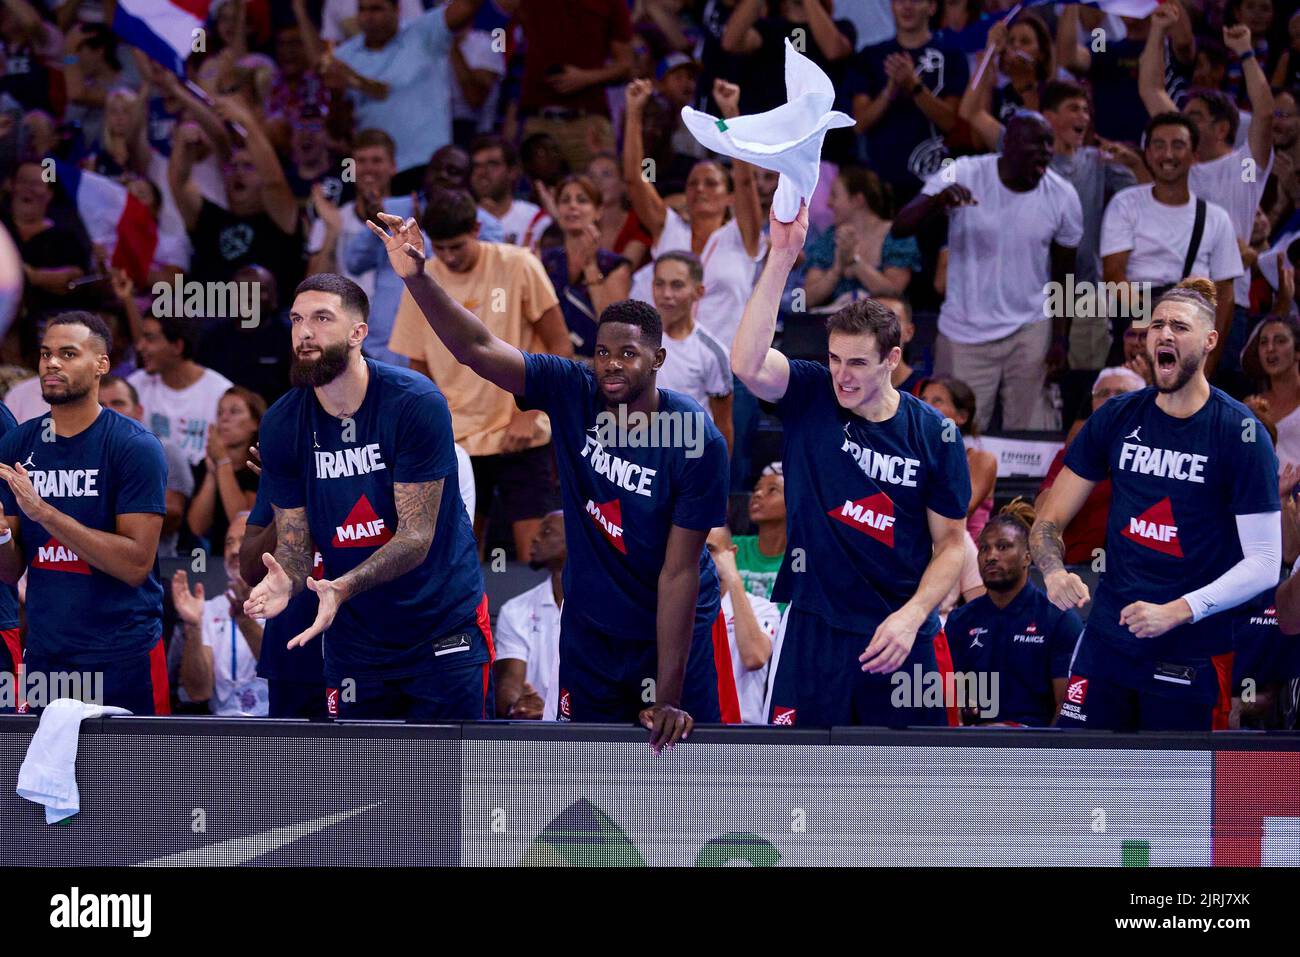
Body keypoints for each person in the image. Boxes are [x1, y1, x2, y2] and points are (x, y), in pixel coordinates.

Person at [371, 211, 729, 752]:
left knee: (680, 766)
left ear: (659, 359)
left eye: (628, 354)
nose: (610, 365)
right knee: (587, 768)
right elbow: (478, 348)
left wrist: (669, 694)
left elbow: (679, 574)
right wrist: (418, 278)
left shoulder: (695, 439)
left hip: (670, 629)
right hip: (590, 628)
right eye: (603, 351)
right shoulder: (572, 388)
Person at [731, 204, 971, 727]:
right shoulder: (813, 392)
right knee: (797, 778)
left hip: (899, 632)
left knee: (908, 789)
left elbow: (953, 544)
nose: (842, 376)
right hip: (815, 626)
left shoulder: (934, 432)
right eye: (836, 359)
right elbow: (746, 363)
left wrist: (913, 617)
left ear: (892, 359)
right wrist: (781, 258)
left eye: (858, 363)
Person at [1031, 278, 1282, 731]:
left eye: (1180, 327)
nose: (1165, 334)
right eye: (1157, 325)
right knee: (1072, 784)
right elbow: (1049, 517)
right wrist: (1052, 570)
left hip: (1191, 647)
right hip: (1108, 638)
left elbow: (1265, 562)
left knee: (1174, 797)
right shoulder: (1117, 415)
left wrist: (1180, 609)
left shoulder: (1239, 433)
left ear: (1210, 341)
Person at [244, 274, 490, 722]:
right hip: (355, 639)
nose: (304, 331)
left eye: (322, 318)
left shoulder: (414, 402)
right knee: (364, 791)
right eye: (297, 319)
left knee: (451, 790)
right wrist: (289, 578)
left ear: (358, 333)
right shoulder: (282, 423)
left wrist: (343, 586)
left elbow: (416, 536)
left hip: (441, 629)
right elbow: (297, 548)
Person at [389, 189, 572, 561]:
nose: (450, 256)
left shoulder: (519, 264)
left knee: (538, 553)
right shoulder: (420, 278)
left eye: (457, 245)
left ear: (476, 228)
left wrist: (532, 413)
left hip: (520, 435)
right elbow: (418, 369)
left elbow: (561, 347)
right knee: (457, 554)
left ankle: (535, 622)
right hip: (456, 442)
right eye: (441, 247)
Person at [0, 311, 169, 714]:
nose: (52, 363)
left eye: (68, 353)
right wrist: (2, 536)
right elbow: (11, 571)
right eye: (45, 354)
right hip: (48, 655)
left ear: (101, 365)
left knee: (140, 777)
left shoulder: (134, 446)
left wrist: (45, 513)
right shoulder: (19, 444)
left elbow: (135, 564)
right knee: (46, 778)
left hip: (124, 653)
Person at [894, 111, 1083, 431]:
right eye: (1034, 145)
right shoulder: (963, 171)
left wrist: (1061, 339)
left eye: (1049, 146)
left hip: (1029, 330)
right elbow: (900, 226)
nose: (1045, 153)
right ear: (1006, 143)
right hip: (964, 332)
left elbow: (1065, 275)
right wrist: (936, 202)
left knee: (1030, 435)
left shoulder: (1063, 195)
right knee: (950, 435)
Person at [1141, 6, 1275, 391]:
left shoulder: (1245, 167)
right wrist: (1157, 30)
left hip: (1230, 301)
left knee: (1217, 396)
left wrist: (1246, 53)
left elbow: (1264, 114)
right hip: (1175, 299)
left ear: (1221, 128)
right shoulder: (1179, 162)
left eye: (1195, 116)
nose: (1183, 121)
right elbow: (1151, 90)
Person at [623, 77, 764, 350]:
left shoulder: (742, 236)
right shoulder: (669, 228)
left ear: (730, 196)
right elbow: (633, 179)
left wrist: (730, 115)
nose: (700, 189)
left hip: (728, 368)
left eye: (711, 183)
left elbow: (746, 181)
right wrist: (634, 111)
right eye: (692, 184)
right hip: (668, 365)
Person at [1100, 112, 1244, 380]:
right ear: (1147, 153)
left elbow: (1225, 295)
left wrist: (1207, 363)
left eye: (1178, 145)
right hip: (1136, 323)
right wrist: (1153, 326)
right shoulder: (1125, 204)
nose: (1168, 154)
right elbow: (1113, 275)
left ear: (1194, 155)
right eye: (1159, 145)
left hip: (1192, 325)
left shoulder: (1216, 218)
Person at [945, 499, 1081, 727]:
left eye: (1003, 546)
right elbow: (950, 700)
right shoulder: (960, 620)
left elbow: (1067, 708)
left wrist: (1033, 749)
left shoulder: (1059, 619)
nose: (990, 556)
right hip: (974, 747)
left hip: (1036, 750)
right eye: (984, 548)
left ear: (1028, 557)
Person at [325, 0, 484, 193]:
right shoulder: (343, 57)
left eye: (376, 8)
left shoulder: (424, 32)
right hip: (376, 172)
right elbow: (337, 132)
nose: (368, 16)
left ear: (397, 10)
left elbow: (468, 6)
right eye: (362, 9)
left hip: (428, 164)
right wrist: (336, 95)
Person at [849, 0, 968, 203]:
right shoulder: (870, 56)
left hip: (935, 181)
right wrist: (890, 91)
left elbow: (953, 123)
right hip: (881, 184)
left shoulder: (953, 56)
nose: (907, 6)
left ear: (932, 7)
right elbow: (859, 124)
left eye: (915, 0)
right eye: (900, 1)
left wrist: (914, 87)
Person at [240, 446, 328, 721]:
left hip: (360, 648)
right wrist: (289, 499)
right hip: (291, 650)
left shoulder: (366, 462)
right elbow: (251, 569)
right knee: (289, 763)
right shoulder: (282, 473)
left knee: (364, 760)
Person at [1034, 366, 1147, 566]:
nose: (1111, 400)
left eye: (1121, 393)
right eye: (1103, 393)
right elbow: (1044, 505)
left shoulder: (1156, 453)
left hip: (1136, 565)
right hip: (1076, 567)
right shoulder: (1072, 452)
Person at [173, 510, 269, 717]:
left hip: (276, 724)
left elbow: (283, 670)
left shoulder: (288, 603)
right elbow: (198, 692)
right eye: (228, 542)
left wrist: (245, 620)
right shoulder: (208, 608)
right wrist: (195, 627)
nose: (234, 550)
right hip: (222, 727)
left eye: (244, 540)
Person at [99, 373, 193, 560]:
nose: (109, 411)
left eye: (118, 403)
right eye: (100, 405)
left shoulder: (164, 449)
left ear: (138, 411)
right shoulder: (80, 453)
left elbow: (173, 514)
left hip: (156, 566)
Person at [539, 174, 632, 357]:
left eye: (582, 200)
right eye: (565, 200)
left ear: (598, 211)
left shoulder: (614, 266)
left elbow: (614, 327)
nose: (573, 205)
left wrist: (590, 266)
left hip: (596, 367)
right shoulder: (544, 262)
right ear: (557, 210)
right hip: (549, 362)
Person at [804, 166, 920, 309]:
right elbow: (807, 299)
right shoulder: (829, 238)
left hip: (884, 326)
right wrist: (837, 269)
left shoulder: (897, 235)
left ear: (858, 200)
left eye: (834, 195)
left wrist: (855, 262)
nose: (829, 203)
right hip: (838, 325)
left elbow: (894, 292)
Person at [651, 251, 733, 449]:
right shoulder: (636, 342)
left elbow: (723, 426)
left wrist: (719, 477)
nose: (666, 294)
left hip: (690, 462)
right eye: (659, 284)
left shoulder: (713, 353)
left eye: (677, 285)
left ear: (699, 291)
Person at [128, 316, 234, 468]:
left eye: (149, 339)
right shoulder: (135, 386)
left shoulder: (221, 392)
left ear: (177, 346)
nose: (140, 347)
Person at [493, 510, 564, 720]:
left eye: (547, 531)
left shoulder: (602, 609)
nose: (534, 537)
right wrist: (519, 706)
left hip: (591, 731)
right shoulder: (515, 609)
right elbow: (509, 682)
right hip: (535, 732)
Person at [707, 525, 781, 725]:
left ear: (731, 554)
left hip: (744, 730)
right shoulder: (677, 610)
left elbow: (754, 657)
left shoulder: (763, 608)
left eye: (710, 549)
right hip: (692, 726)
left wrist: (733, 577)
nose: (701, 558)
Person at [186, 386, 263, 553]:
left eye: (234, 412)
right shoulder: (204, 464)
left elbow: (243, 522)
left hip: (252, 556)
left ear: (254, 423)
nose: (224, 418)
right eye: (220, 412)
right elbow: (197, 527)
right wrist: (212, 473)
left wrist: (222, 461)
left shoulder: (259, 465)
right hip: (217, 558)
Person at [921, 377, 997, 543]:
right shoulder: (913, 454)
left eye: (937, 401)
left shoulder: (982, 459)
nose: (925, 407)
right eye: (923, 400)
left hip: (965, 555)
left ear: (962, 417)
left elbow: (960, 508)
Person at [469, 134, 552, 248]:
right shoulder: (461, 220)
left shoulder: (534, 220)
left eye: (492, 164)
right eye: (477, 166)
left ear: (512, 171)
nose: (482, 173)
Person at [1242, 314, 1300, 469]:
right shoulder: (1251, 407)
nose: (1270, 349)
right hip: (1266, 489)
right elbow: (1244, 458)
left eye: (1280, 341)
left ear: (1297, 351)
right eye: (1263, 342)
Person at [734, 461, 785, 601]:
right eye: (756, 488)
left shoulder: (802, 558)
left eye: (772, 490)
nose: (758, 494)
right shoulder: (732, 547)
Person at [877, 295, 926, 396]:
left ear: (909, 332)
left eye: (891, 319)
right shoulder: (846, 383)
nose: (881, 326)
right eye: (873, 319)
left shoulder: (925, 389)